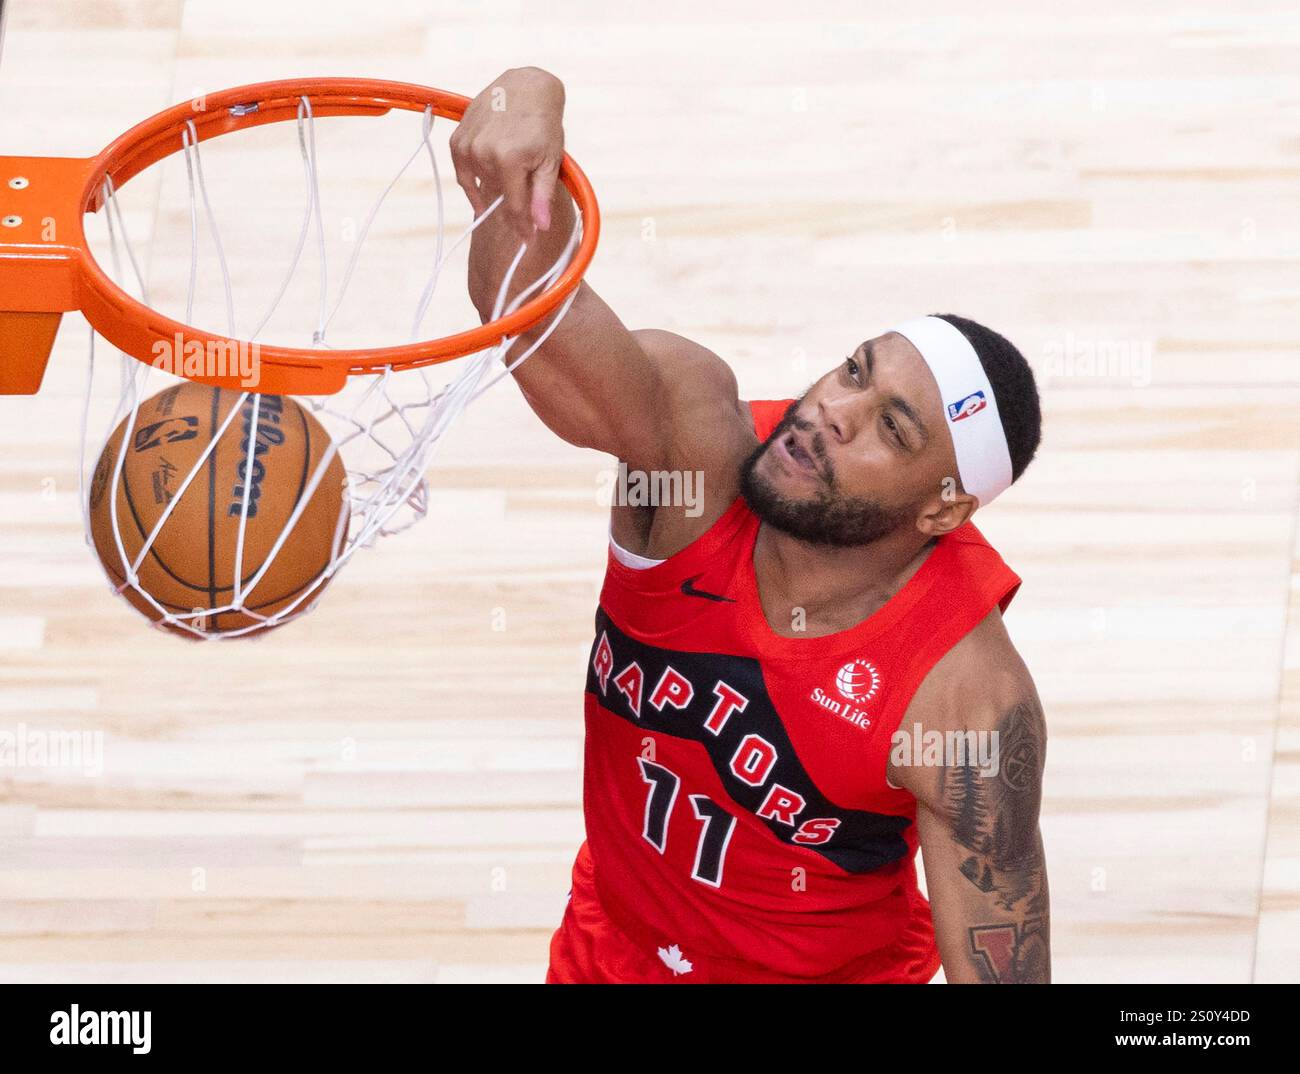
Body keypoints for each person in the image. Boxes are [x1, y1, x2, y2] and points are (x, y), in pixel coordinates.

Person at [452, 66, 1050, 984]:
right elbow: (536, 320)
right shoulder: (693, 448)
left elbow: (1003, 965)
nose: (835, 411)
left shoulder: (962, 696)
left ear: (943, 508)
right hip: (612, 955)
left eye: (891, 428)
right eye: (854, 371)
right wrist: (527, 121)